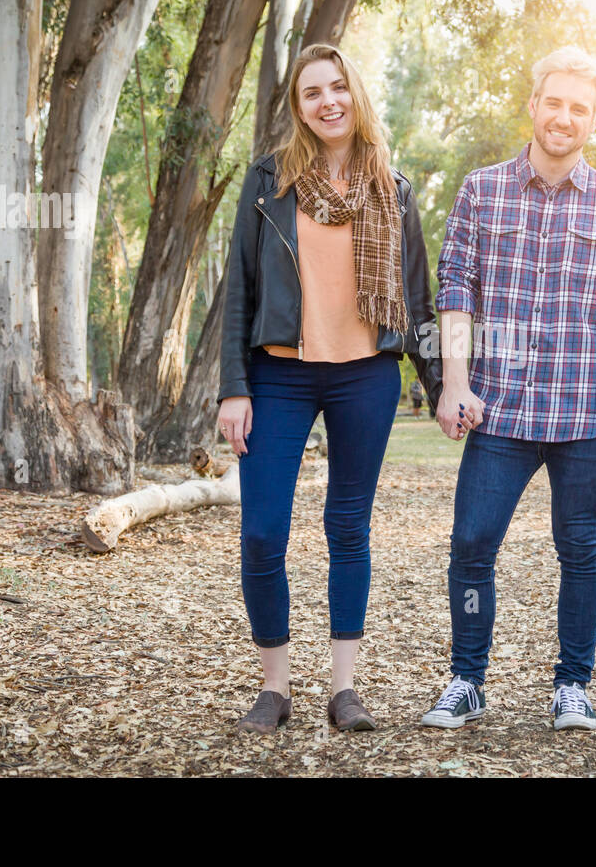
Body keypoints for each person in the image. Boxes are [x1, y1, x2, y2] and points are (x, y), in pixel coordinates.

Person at [419, 46, 596, 732]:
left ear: (595, 120)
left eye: (579, 108)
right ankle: (468, 679)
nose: (564, 117)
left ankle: (573, 685)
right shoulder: (481, 189)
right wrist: (454, 383)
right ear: (532, 105)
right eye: (553, 102)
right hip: (496, 409)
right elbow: (456, 289)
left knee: (580, 550)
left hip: (584, 410)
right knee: (472, 544)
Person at [216, 43, 442, 735]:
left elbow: (419, 301)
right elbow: (238, 292)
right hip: (278, 374)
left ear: (355, 93)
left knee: (348, 527)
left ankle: (344, 690)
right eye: (312, 93)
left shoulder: (392, 188)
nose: (328, 102)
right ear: (299, 108)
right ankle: (274, 689)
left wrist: (442, 387)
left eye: (338, 87)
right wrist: (234, 387)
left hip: (366, 373)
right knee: (261, 534)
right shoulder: (267, 182)